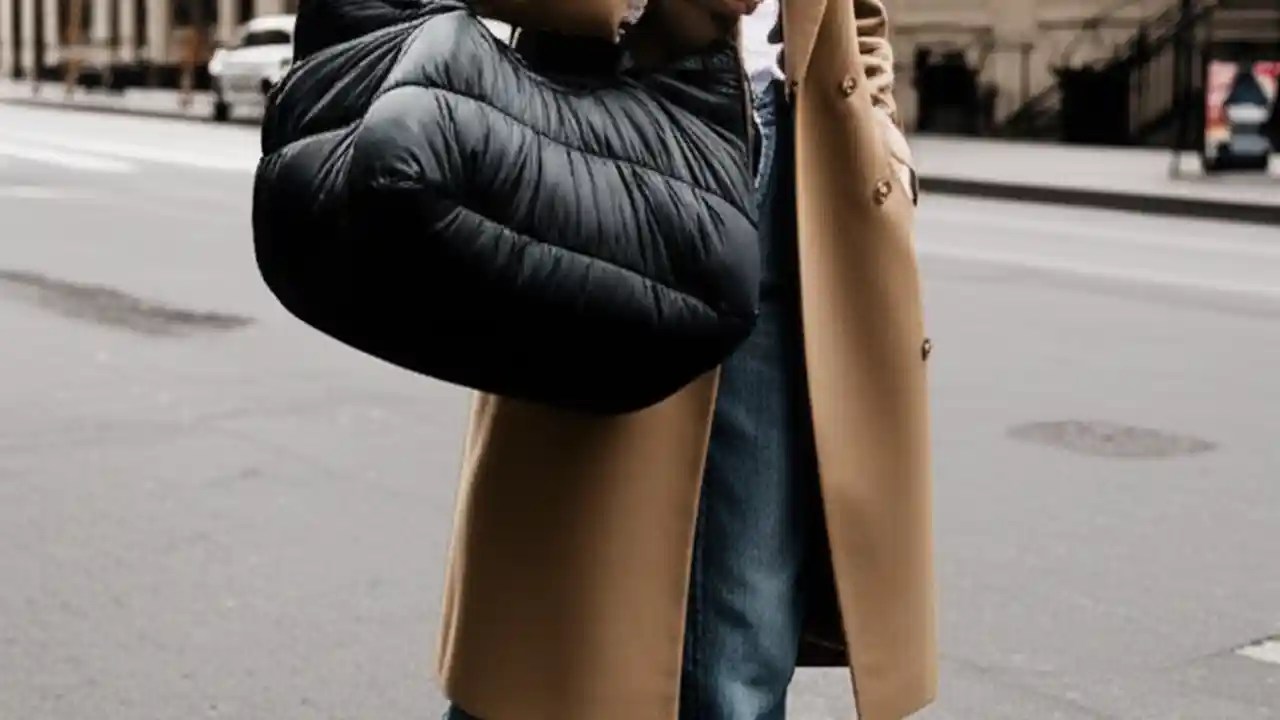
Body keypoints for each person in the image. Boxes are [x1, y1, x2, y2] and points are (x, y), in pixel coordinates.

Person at [440, 0, 935, 718]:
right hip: (610, 148)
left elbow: (858, 15)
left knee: (743, 649)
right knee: (555, 631)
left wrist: (883, 134)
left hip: (795, 170)